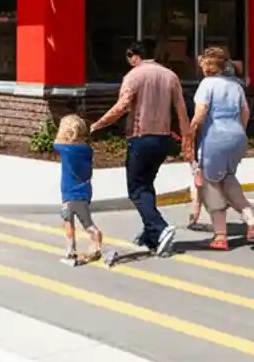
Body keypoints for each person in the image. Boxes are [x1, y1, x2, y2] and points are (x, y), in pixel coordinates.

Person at [90, 40, 191, 257]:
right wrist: (187, 140)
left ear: (134, 56)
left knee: (136, 189)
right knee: (146, 185)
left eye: (129, 59)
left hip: (140, 138)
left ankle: (160, 227)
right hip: (163, 140)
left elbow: (122, 106)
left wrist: (98, 124)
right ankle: (150, 234)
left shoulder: (133, 76)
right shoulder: (170, 76)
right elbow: (182, 112)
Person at [186, 46, 254, 250]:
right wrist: (239, 132)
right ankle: (250, 217)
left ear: (209, 65)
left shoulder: (207, 85)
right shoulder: (235, 85)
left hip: (214, 139)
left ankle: (220, 235)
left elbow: (200, 113)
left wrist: (189, 133)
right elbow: (245, 112)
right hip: (236, 136)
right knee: (228, 178)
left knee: (210, 185)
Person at [53, 114, 105, 264]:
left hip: (69, 193)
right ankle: (95, 240)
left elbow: (56, 144)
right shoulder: (86, 150)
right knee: (85, 221)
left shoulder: (66, 149)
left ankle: (71, 250)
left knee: (67, 221)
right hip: (84, 192)